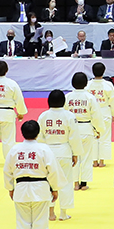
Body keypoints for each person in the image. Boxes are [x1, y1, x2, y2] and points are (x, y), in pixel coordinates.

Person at [5, 120, 65, 229]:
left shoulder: (14, 149)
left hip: (21, 188)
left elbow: (7, 171)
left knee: (23, 221)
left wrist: (10, 188)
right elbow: (53, 171)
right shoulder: (44, 149)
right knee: (39, 221)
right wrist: (55, 188)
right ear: (38, 133)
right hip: (40, 188)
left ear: (22, 133)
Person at [39, 90, 84, 221]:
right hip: (64, 151)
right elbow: (74, 137)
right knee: (66, 182)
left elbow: (40, 136)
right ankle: (63, 213)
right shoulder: (69, 116)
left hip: (47, 152)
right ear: (64, 102)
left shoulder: (43, 116)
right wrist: (75, 153)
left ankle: (51, 212)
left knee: (48, 182)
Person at [0, 60, 28, 167]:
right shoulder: (12, 84)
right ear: (6, 71)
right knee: (8, 140)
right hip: (7, 114)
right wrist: (21, 112)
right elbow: (19, 99)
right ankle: (9, 162)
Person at [65, 72, 100, 190]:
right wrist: (98, 129)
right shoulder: (90, 97)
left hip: (72, 130)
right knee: (86, 157)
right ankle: (84, 183)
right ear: (86, 84)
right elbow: (96, 115)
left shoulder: (68, 97)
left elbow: (63, 114)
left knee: (73, 156)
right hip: (86, 129)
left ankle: (75, 183)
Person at [87, 61, 114, 166]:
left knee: (93, 137)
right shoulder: (108, 85)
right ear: (103, 72)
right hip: (104, 112)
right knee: (104, 137)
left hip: (91, 113)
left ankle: (94, 161)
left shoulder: (88, 85)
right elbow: (113, 100)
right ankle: (102, 161)